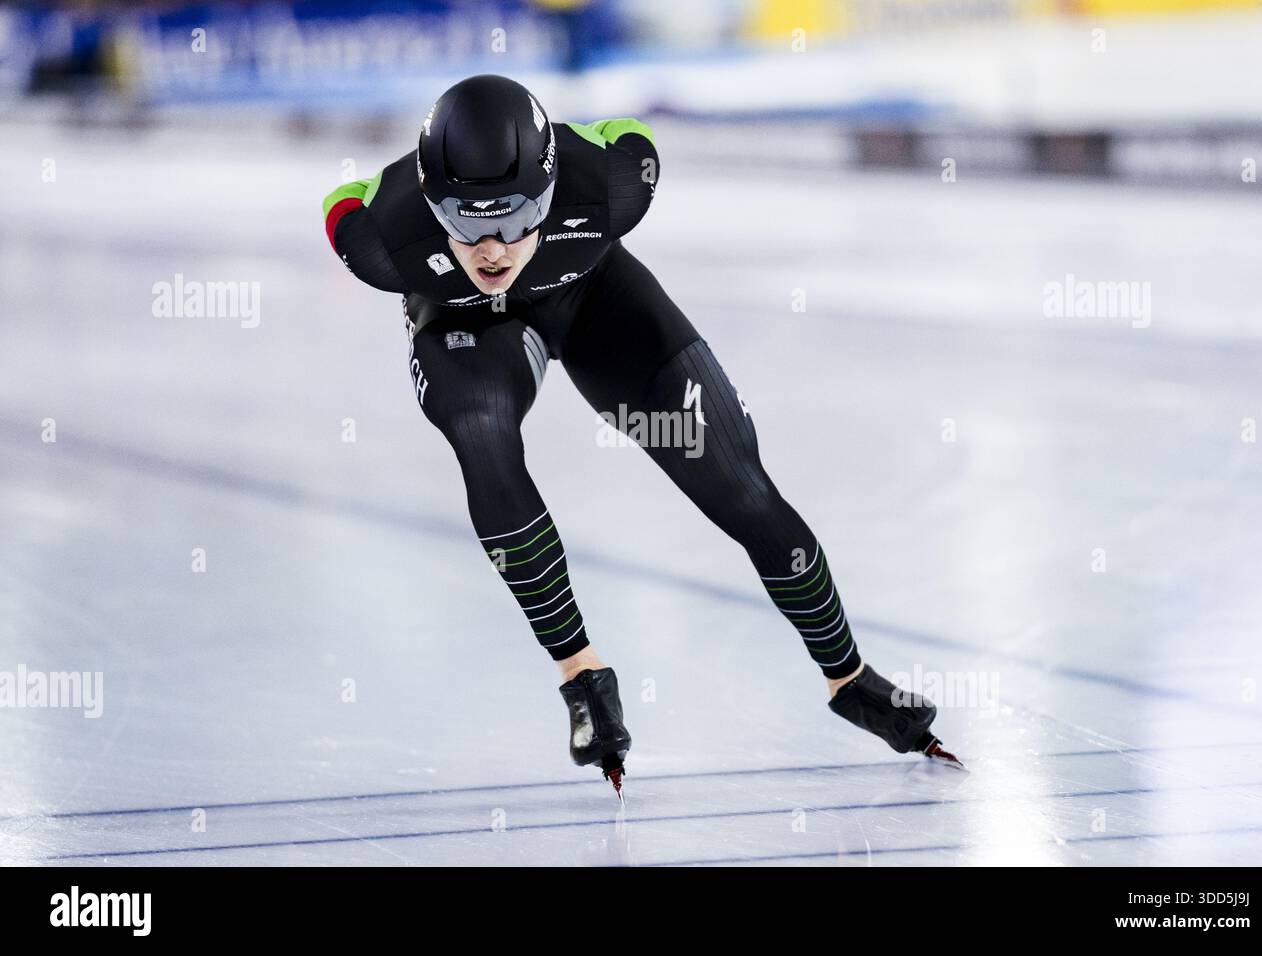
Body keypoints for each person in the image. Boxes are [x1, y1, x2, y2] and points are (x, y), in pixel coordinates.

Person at [321, 75, 962, 795]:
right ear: (431, 203)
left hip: (592, 298)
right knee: (481, 433)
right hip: (468, 322)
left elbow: (633, 134)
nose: (493, 249)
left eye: (516, 219)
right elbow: (339, 203)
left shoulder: (612, 182)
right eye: (465, 225)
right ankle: (582, 677)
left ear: (552, 190)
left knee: (740, 487)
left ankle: (849, 678)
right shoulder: (380, 238)